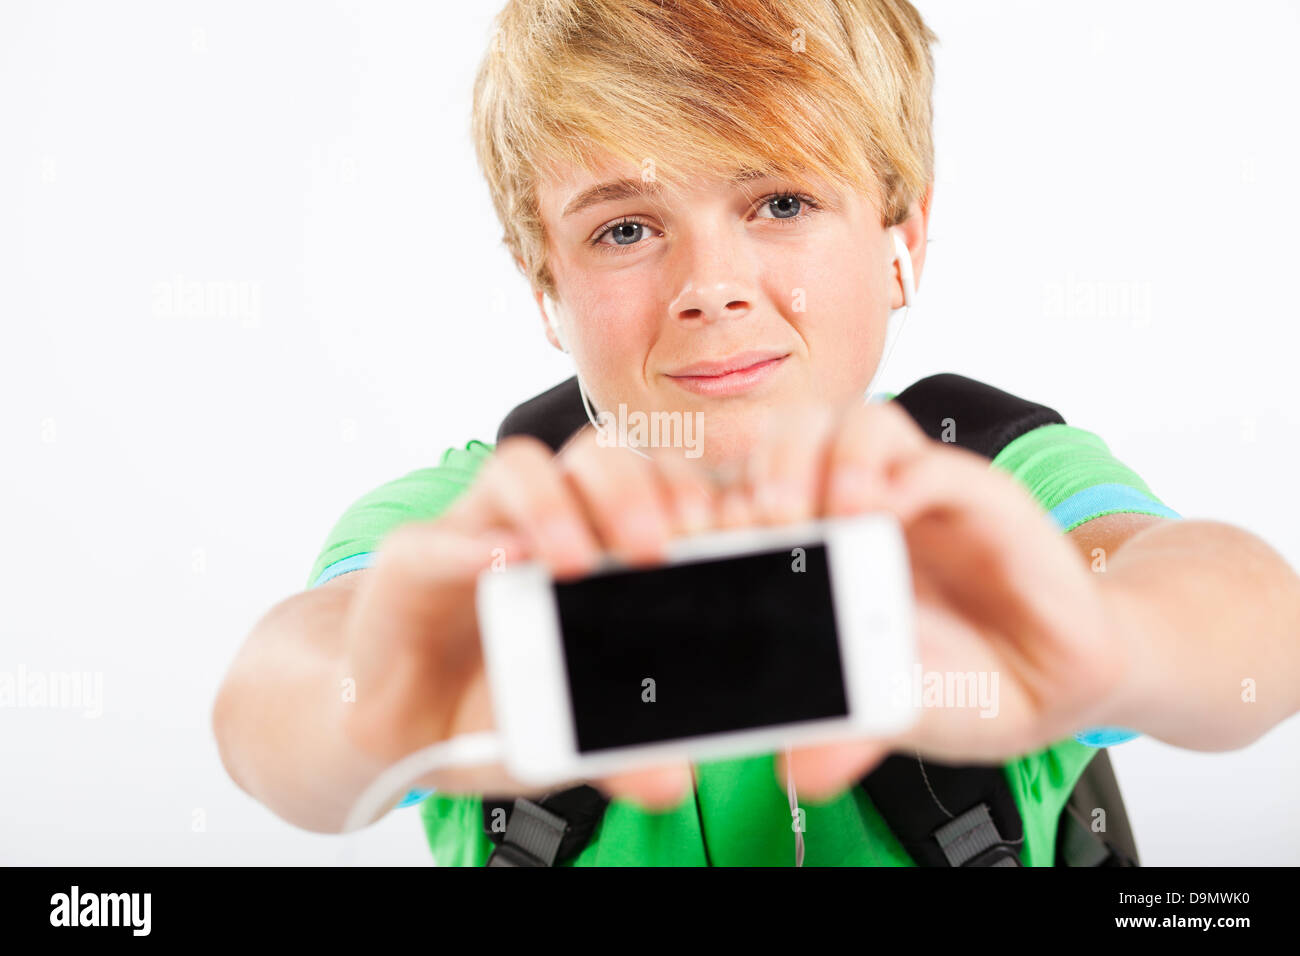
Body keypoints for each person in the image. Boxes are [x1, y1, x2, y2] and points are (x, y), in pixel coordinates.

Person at [213, 0, 1300, 865]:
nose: (711, 287)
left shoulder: (993, 480)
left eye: (779, 201)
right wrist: (385, 702)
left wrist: (1107, 647)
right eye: (625, 227)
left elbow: (1256, 624)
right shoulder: (468, 522)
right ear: (545, 279)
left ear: (899, 230)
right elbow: (274, 705)